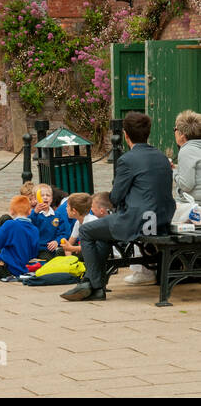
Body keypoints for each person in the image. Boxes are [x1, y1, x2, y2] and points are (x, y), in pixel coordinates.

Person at [64, 111, 176, 302]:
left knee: (86, 231)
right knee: (101, 236)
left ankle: (93, 284)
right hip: (162, 219)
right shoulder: (161, 157)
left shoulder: (127, 160)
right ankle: (94, 284)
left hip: (136, 220)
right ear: (147, 133)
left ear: (125, 135)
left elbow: (115, 197)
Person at [30, 184, 70, 257]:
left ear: (51, 199)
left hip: (51, 249)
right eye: (42, 195)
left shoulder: (57, 215)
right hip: (35, 249)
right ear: (35, 199)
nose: (45, 197)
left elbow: (63, 233)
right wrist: (35, 212)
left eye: (48, 195)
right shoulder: (33, 214)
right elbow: (28, 225)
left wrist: (57, 241)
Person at [173, 110, 201, 202]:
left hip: (194, 204)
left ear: (182, 135)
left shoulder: (187, 151)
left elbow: (186, 185)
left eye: (175, 129)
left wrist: (173, 172)